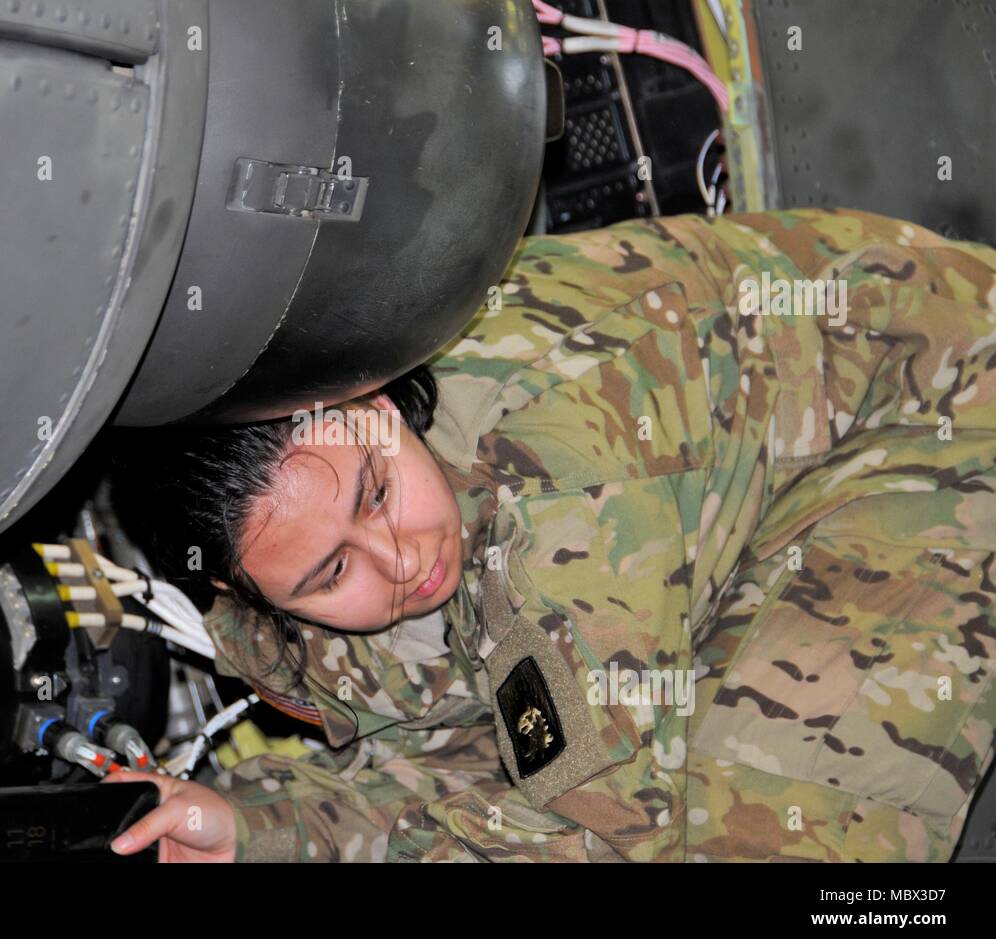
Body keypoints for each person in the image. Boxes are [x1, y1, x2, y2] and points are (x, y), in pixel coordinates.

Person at [104, 207, 996, 862]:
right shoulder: (349, 457)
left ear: (372, 402)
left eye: (377, 494)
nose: (402, 557)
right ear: (240, 591)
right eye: (332, 570)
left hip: (938, 404)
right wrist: (255, 827)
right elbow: (448, 746)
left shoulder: (561, 505)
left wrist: (308, 836)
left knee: (755, 830)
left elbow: (601, 836)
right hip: (740, 481)